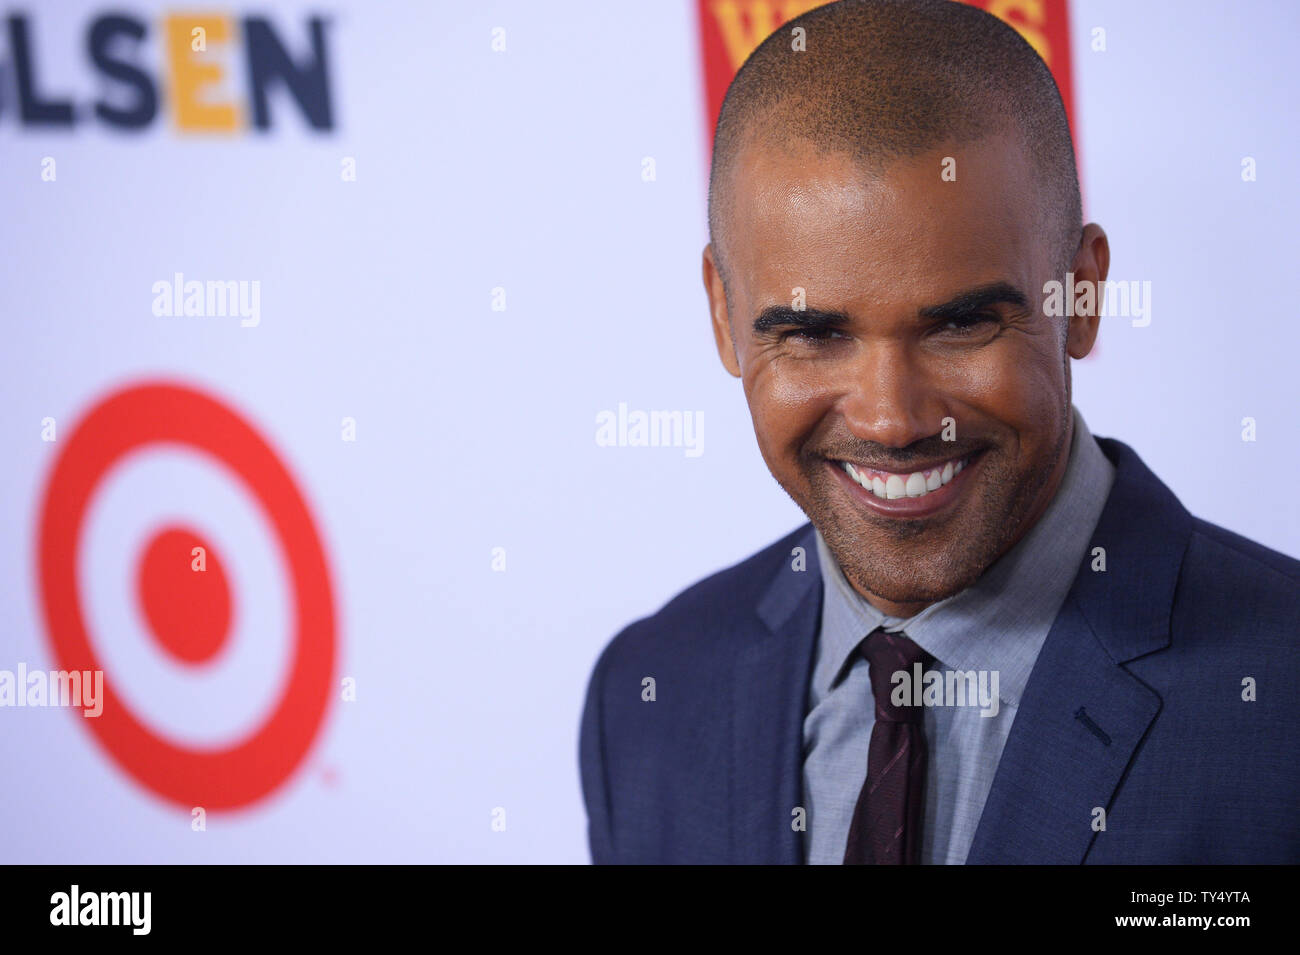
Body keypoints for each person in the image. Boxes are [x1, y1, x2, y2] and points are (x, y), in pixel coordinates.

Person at [579, 0, 1300, 864]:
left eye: (961, 325)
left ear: (1082, 293)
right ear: (725, 316)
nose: (893, 417)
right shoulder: (649, 700)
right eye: (813, 334)